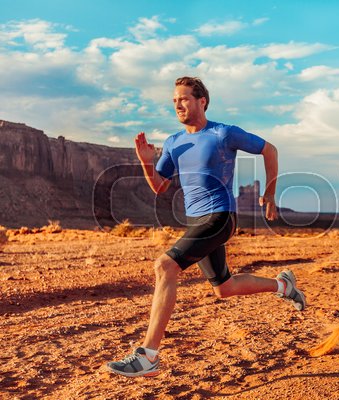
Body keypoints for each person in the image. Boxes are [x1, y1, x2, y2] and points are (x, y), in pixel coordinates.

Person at [107, 76, 306, 378]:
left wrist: (269, 193)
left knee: (165, 266)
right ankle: (283, 285)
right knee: (224, 288)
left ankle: (148, 356)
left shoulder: (223, 133)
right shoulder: (174, 143)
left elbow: (271, 150)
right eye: (175, 100)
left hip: (220, 216)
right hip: (196, 219)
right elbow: (160, 188)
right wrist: (147, 163)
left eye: (185, 98)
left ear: (202, 101)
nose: (178, 104)